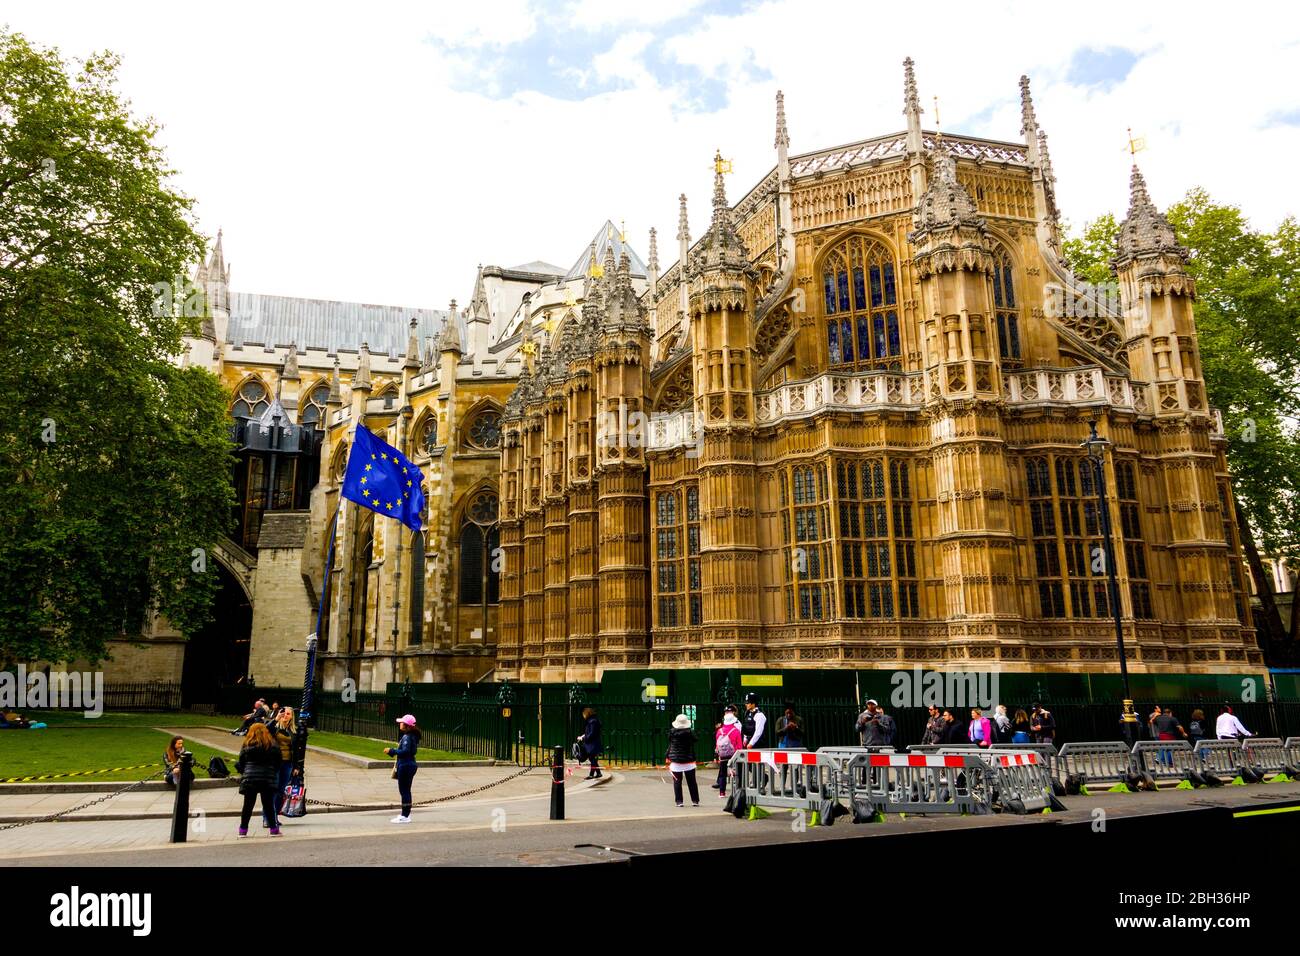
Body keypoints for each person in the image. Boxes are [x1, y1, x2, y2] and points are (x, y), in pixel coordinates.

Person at [235, 723, 282, 837]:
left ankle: (243, 830)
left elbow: (241, 762)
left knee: (248, 805)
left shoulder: (247, 745)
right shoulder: (273, 745)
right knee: (268, 805)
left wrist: (244, 772)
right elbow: (278, 762)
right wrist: (272, 772)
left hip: (250, 778)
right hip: (267, 778)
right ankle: (273, 829)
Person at [384, 715, 421, 823]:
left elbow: (405, 752)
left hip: (405, 765)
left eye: (402, 722)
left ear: (407, 726)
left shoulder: (407, 737)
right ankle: (406, 814)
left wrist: (392, 751)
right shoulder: (412, 736)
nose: (400, 724)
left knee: (404, 791)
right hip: (409, 765)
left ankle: (405, 816)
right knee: (406, 791)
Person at [266, 707, 298, 826]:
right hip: (275, 763)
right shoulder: (275, 727)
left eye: (288, 714)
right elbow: (266, 731)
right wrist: (276, 718)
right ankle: (267, 818)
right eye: (284, 713)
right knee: (272, 791)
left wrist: (297, 766)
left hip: (288, 763)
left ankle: (274, 816)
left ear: (291, 716)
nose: (286, 715)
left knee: (280, 792)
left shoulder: (293, 731)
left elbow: (297, 750)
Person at [666, 713, 700, 807]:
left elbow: (669, 741)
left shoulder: (672, 733)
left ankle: (679, 801)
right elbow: (696, 739)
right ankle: (695, 800)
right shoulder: (690, 732)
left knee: (677, 782)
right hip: (689, 760)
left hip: (676, 761)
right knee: (692, 781)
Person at [713, 707, 743, 797]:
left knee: (722, 774)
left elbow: (717, 744)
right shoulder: (736, 731)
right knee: (738, 773)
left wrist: (718, 754)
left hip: (723, 755)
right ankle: (737, 791)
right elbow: (739, 745)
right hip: (734, 755)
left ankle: (722, 792)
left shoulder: (719, 731)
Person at [576, 706, 603, 779]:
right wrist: (583, 735)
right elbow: (590, 732)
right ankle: (598, 773)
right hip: (592, 743)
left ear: (587, 713)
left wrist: (583, 738)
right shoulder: (592, 720)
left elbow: (592, 733)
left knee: (592, 758)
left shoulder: (592, 721)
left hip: (592, 744)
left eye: (583, 714)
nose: (583, 715)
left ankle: (591, 775)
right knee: (592, 759)